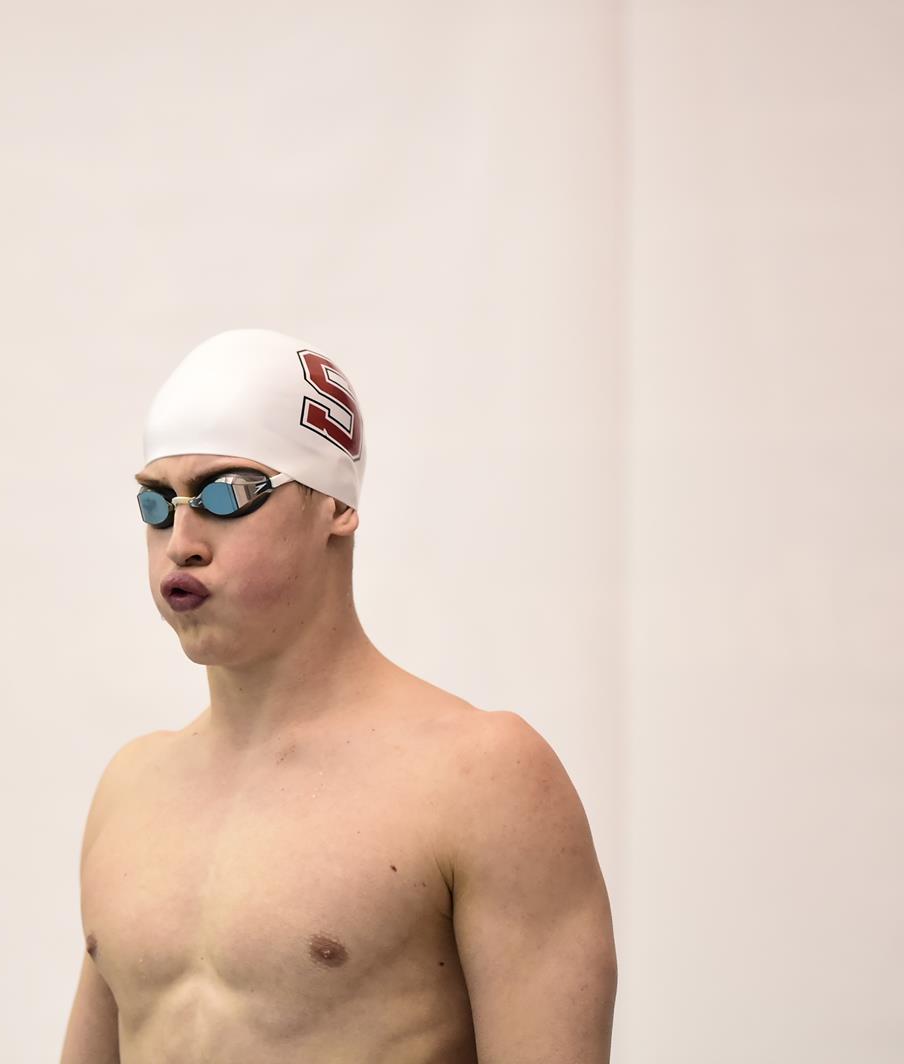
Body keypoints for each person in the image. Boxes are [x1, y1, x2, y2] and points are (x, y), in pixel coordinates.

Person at [60, 329, 616, 1063]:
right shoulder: (131, 788)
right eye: (157, 505)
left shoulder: (483, 778)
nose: (182, 540)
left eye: (229, 494)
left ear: (336, 506)